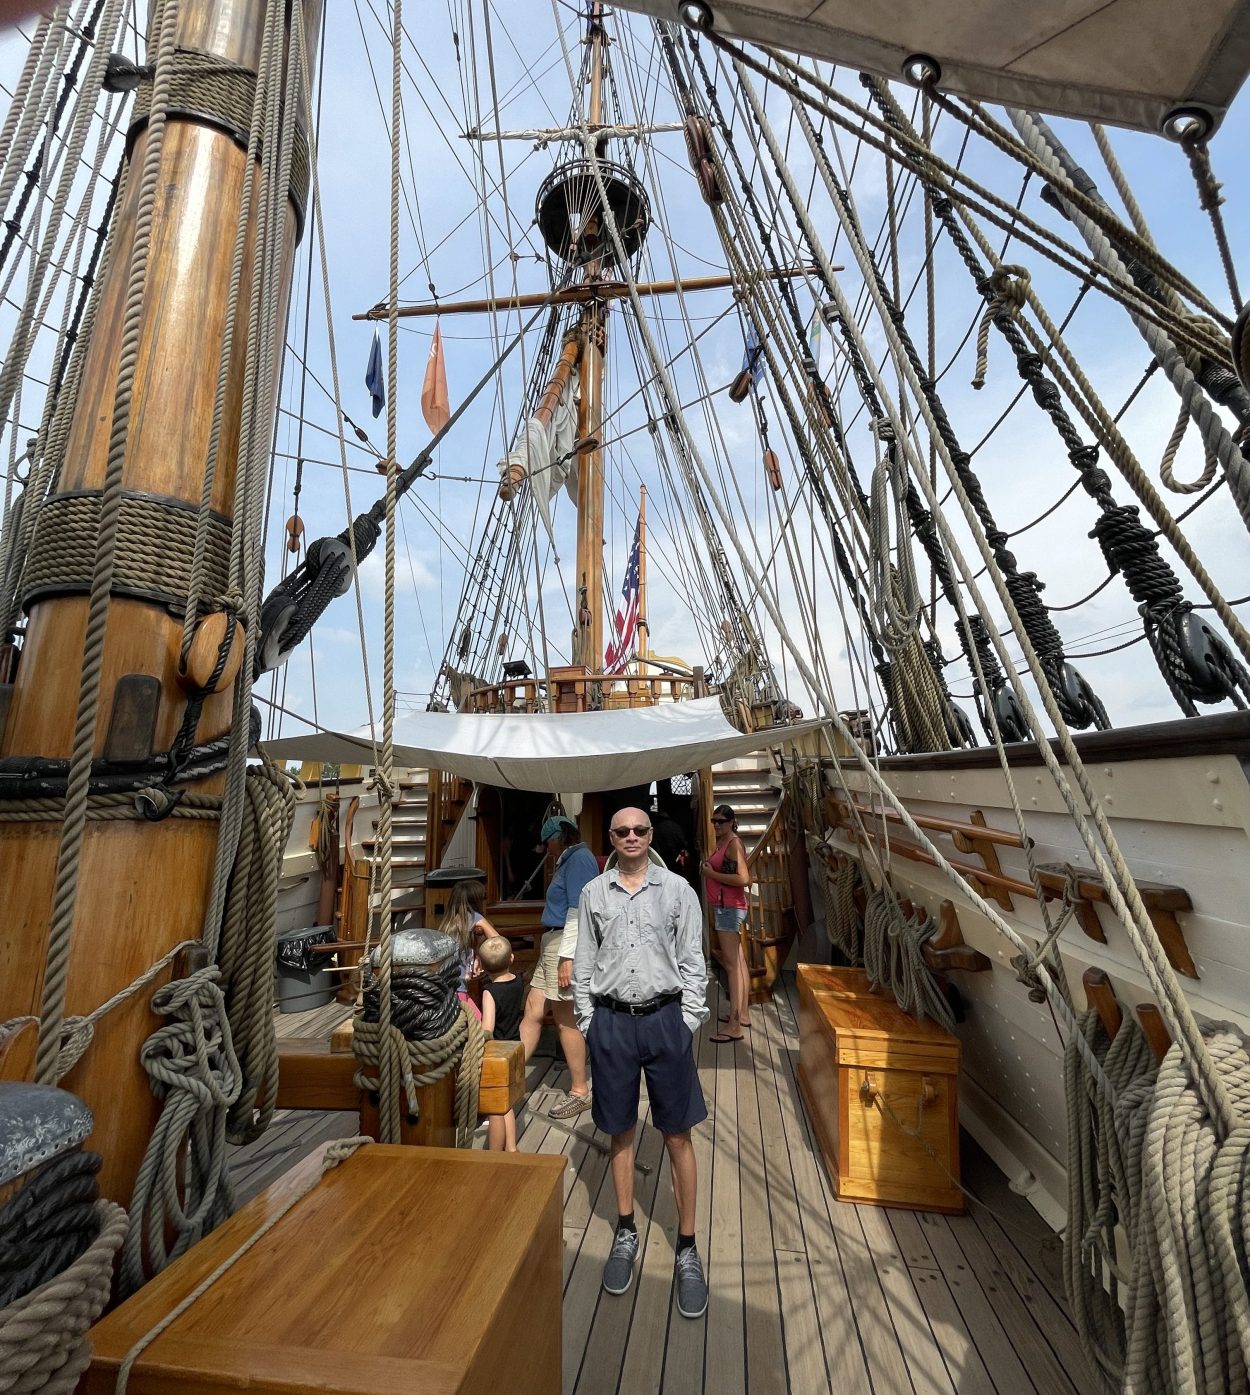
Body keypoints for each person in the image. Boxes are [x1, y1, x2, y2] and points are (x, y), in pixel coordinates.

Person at [573, 806, 710, 1320]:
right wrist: (590, 1024)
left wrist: (687, 1021)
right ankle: (626, 1230)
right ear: (610, 838)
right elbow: (584, 963)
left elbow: (694, 962)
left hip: (665, 1021)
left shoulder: (678, 892)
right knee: (621, 1129)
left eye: (640, 830)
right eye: (622, 831)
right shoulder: (593, 895)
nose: (632, 837)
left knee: (678, 1132)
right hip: (611, 1023)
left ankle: (688, 1246)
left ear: (651, 836)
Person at [519, 814, 598, 1120]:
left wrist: (568, 957)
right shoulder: (571, 859)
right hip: (553, 943)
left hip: (563, 944)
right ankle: (510, 1077)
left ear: (558, 838)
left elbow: (579, 909)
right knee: (534, 1010)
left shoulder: (578, 860)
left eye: (548, 841)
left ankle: (580, 1091)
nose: (546, 848)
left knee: (566, 1019)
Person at [701, 804, 752, 1041]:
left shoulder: (732, 845)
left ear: (732, 822)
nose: (717, 825)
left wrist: (711, 875)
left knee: (731, 966)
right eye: (714, 821)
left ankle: (734, 1026)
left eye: (721, 821)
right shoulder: (727, 843)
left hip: (728, 909)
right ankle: (742, 1014)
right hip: (729, 907)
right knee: (739, 961)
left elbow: (742, 878)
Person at [479, 935, 524, 1152]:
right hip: (514, 1044)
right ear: (512, 958)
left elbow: (488, 1026)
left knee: (497, 1105)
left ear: (482, 966)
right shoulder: (518, 981)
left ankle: (495, 1152)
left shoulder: (490, 991)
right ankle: (512, 1147)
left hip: (497, 1050)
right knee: (508, 1104)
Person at [438, 879, 500, 1023]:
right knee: (479, 1027)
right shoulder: (473, 917)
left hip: (446, 988)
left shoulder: (450, 922)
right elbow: (498, 942)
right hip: (458, 989)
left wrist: (478, 955)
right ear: (475, 902)